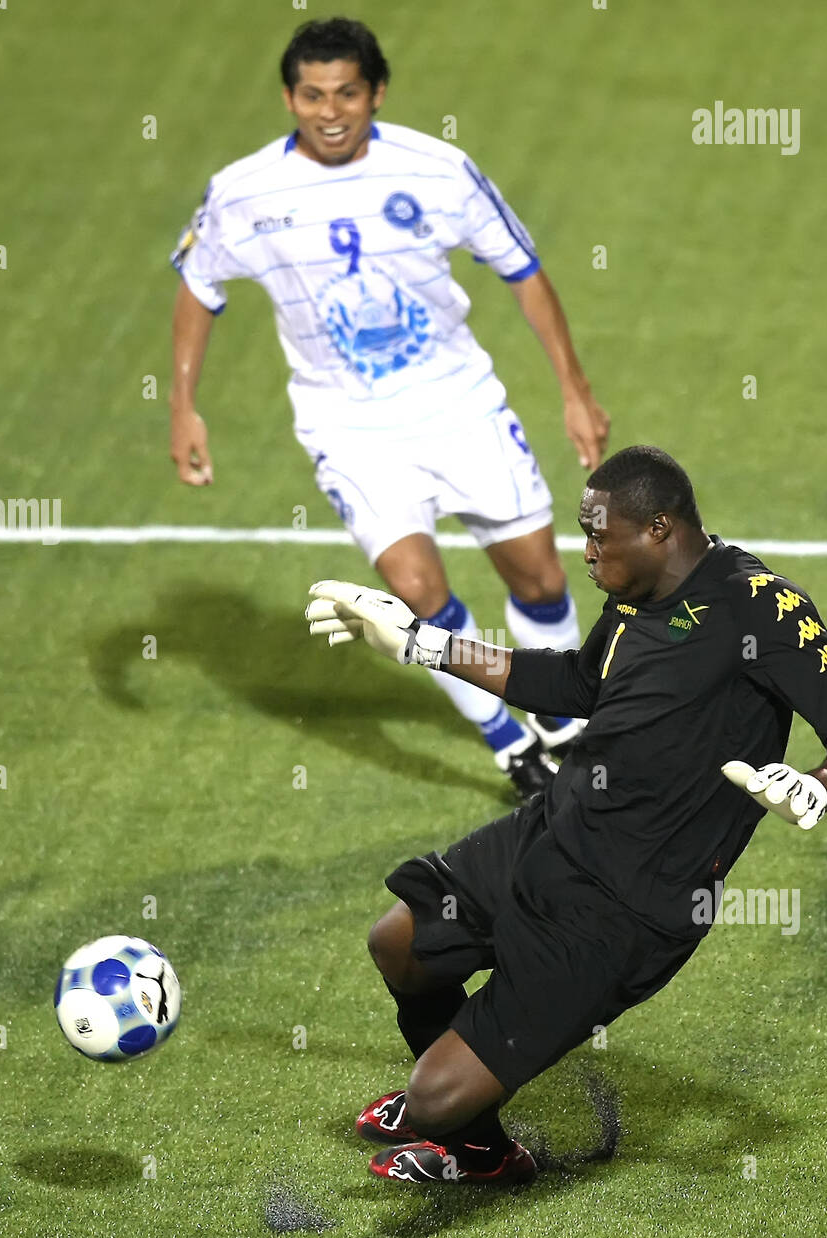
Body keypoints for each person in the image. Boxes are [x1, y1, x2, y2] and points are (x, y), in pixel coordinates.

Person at [306, 444, 827, 1185]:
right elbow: (579, 683)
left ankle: (471, 1142)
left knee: (433, 1099)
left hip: (626, 905)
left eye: (597, 536)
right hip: (552, 829)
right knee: (399, 944)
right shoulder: (636, 591)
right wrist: (423, 643)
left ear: (658, 528)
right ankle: (469, 1123)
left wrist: (817, 785)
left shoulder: (763, 607)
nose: (583, 553)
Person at [169, 17, 610, 798]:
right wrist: (183, 402)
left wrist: (574, 390)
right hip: (347, 424)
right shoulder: (243, 192)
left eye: (346, 93)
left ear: (377, 93)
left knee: (540, 579)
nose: (329, 111)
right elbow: (198, 288)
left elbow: (524, 271)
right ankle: (511, 743)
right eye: (312, 95)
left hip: (458, 404)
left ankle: (565, 719)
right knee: (414, 589)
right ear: (288, 97)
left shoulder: (440, 171)